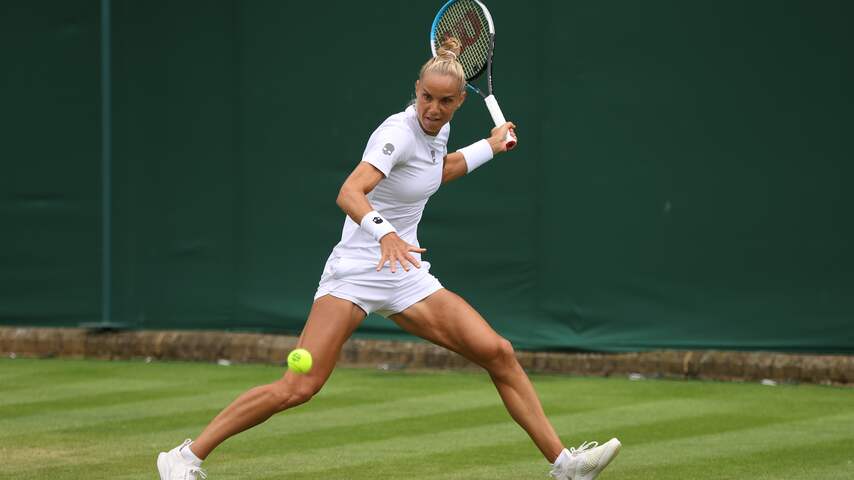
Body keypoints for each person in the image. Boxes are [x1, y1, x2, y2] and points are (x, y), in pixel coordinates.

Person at [156, 37, 621, 480]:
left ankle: (565, 464)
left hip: (404, 272)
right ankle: (184, 457)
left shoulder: (439, 129)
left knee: (497, 352)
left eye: (444, 101)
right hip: (358, 269)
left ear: (460, 100)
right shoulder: (396, 132)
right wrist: (385, 235)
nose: (433, 109)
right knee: (299, 386)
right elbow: (350, 191)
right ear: (415, 92)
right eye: (426, 98)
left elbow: (432, 173)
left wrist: (489, 147)